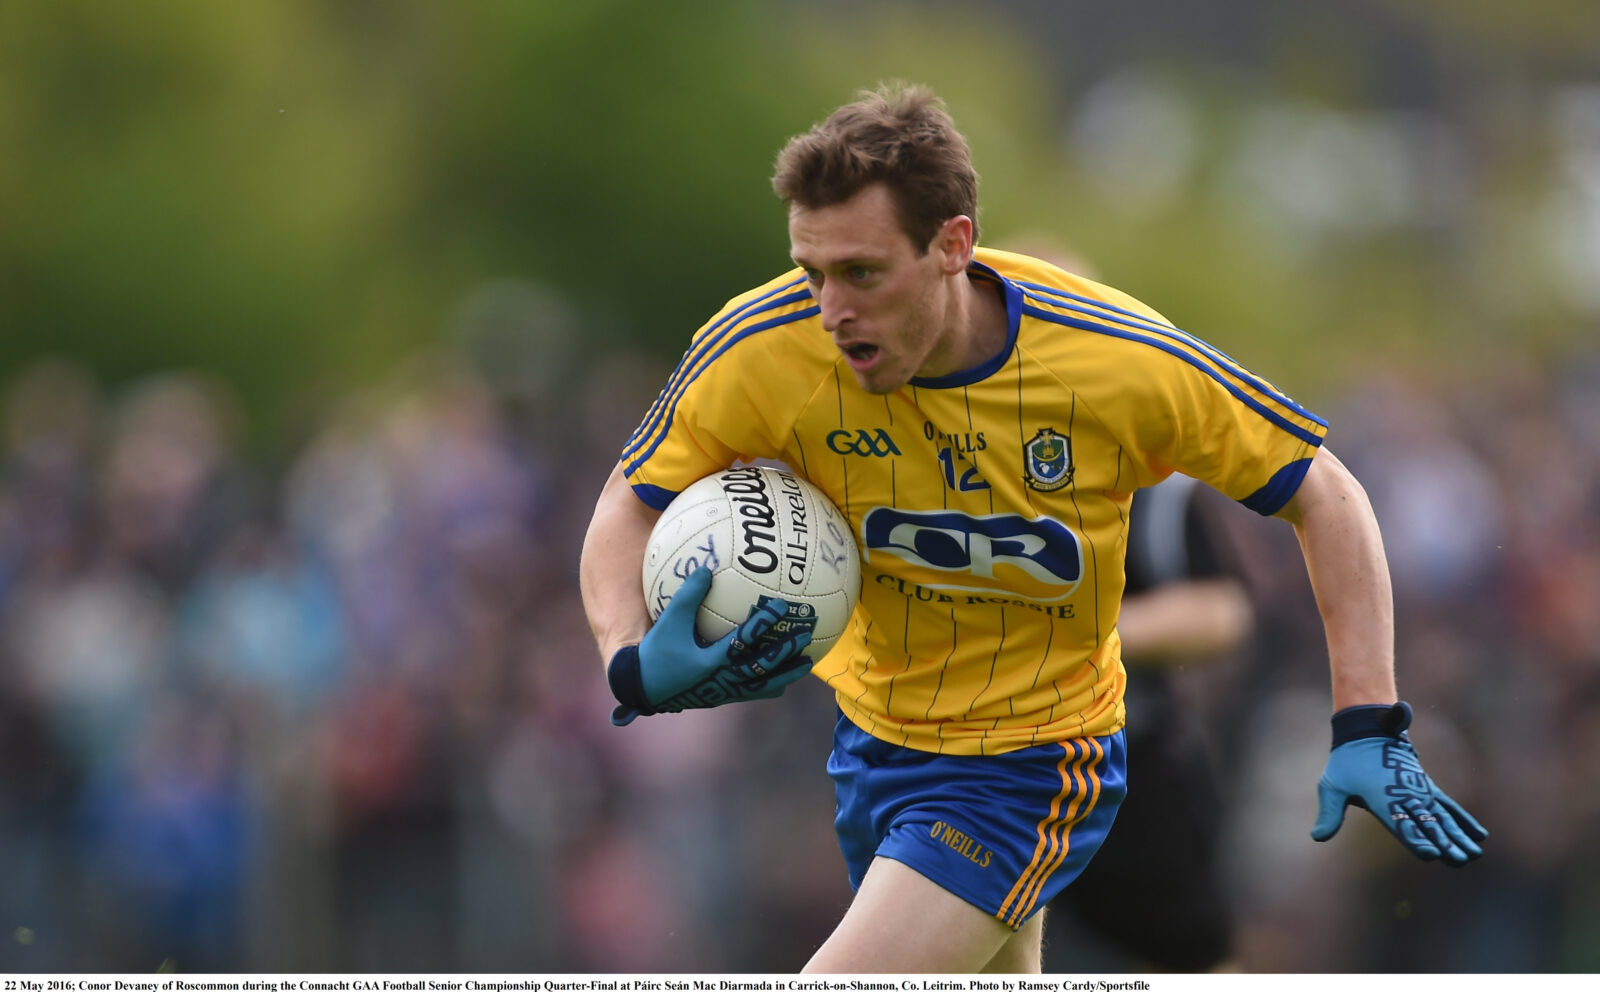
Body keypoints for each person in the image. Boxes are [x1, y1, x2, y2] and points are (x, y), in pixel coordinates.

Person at [578, 84, 1487, 974]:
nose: (830, 309)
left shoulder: (1113, 361)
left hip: (1035, 761)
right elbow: (630, 499)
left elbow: (1323, 492)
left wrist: (1367, 717)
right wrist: (628, 653)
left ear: (952, 246)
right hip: (873, 748)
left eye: (862, 273)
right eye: (811, 272)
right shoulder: (760, 348)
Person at [1044, 475, 1251, 972]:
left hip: (1124, 769)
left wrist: (1079, 636)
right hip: (970, 765)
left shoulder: (1152, 482)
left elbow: (1223, 610)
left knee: (1194, 959)